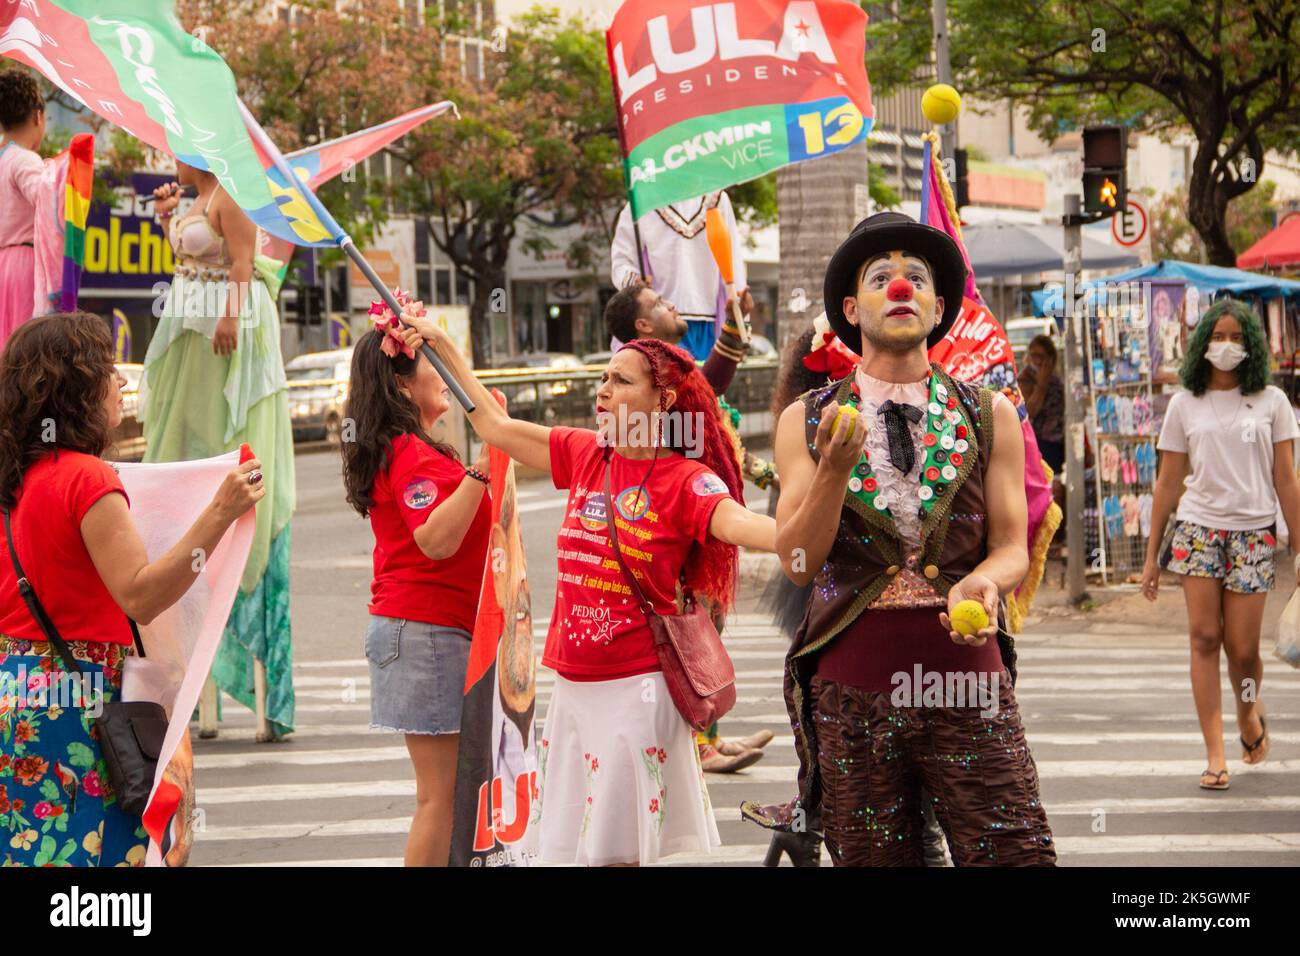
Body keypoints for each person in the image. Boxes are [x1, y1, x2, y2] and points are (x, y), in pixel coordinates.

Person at [408, 308, 777, 866]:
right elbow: (493, 425)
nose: (603, 391)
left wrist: (812, 530)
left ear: (664, 403)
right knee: (582, 850)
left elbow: (749, 528)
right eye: (603, 378)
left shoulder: (685, 480)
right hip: (575, 691)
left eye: (621, 382)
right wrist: (443, 345)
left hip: (637, 693)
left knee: (616, 853)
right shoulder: (586, 453)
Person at [773, 211, 1056, 866]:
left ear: (937, 308)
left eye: (917, 278)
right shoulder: (805, 420)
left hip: (966, 681)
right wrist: (833, 475)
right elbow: (796, 561)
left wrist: (988, 580)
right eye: (880, 277)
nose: (900, 287)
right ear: (851, 307)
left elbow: (1013, 543)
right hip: (852, 689)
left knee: (1015, 854)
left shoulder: (992, 415)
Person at [0, 312, 262, 866]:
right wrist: (220, 511)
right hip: (81, 697)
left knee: (28, 851)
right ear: (75, 386)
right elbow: (141, 595)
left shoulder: (14, 480)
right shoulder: (87, 479)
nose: (121, 382)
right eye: (108, 370)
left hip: (15, 693)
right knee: (98, 859)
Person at [139, 161, 296, 741]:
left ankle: (256, 682)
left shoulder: (230, 194)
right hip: (189, 335)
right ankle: (192, 681)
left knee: (236, 458)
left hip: (224, 338)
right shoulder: (191, 197)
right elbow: (189, 261)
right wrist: (165, 219)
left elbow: (241, 265)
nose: (173, 158)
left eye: (181, 145)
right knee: (177, 464)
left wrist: (229, 317)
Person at [603, 280, 773, 773]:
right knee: (687, 637)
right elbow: (714, 382)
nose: (672, 304)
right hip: (673, 525)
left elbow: (728, 442)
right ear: (641, 326)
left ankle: (707, 734)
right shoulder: (645, 382)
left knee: (703, 634)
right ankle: (697, 745)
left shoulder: (674, 373)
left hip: (705, 516)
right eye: (657, 304)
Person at [341, 323, 491, 866]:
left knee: (453, 792)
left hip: (435, 630)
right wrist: (483, 468)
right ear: (403, 384)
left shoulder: (425, 449)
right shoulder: (408, 452)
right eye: (434, 362)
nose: (445, 375)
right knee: (441, 795)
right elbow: (435, 537)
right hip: (425, 632)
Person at [1142, 298, 1296, 790]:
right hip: (1197, 530)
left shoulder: (1272, 401)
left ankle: (1248, 711)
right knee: (1205, 638)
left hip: (1254, 533)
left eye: (1235, 337)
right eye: (1217, 336)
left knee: (1245, 649)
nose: (1226, 345)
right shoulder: (1185, 403)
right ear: (1201, 344)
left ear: (1250, 344)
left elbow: (1287, 480)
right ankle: (1215, 754)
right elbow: (1167, 482)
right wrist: (1150, 556)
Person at [611, 190, 747, 362]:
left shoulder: (717, 198)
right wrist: (635, 281)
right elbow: (621, 260)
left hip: (708, 321)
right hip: (658, 323)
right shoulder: (640, 201)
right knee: (662, 385)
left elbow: (732, 257)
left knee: (707, 386)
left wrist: (740, 322)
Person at [0, 70, 46, 350]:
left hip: (2, 260)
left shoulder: (4, 157)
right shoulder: (25, 160)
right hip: (23, 265)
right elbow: (47, 200)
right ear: (38, 116)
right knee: (24, 349)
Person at [1018, 334, 1065, 473]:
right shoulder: (1026, 377)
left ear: (1051, 358)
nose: (1038, 361)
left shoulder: (1055, 376)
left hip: (1059, 443)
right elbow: (1030, 412)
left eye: (1042, 356)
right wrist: (1042, 384)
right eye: (1034, 355)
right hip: (1041, 443)